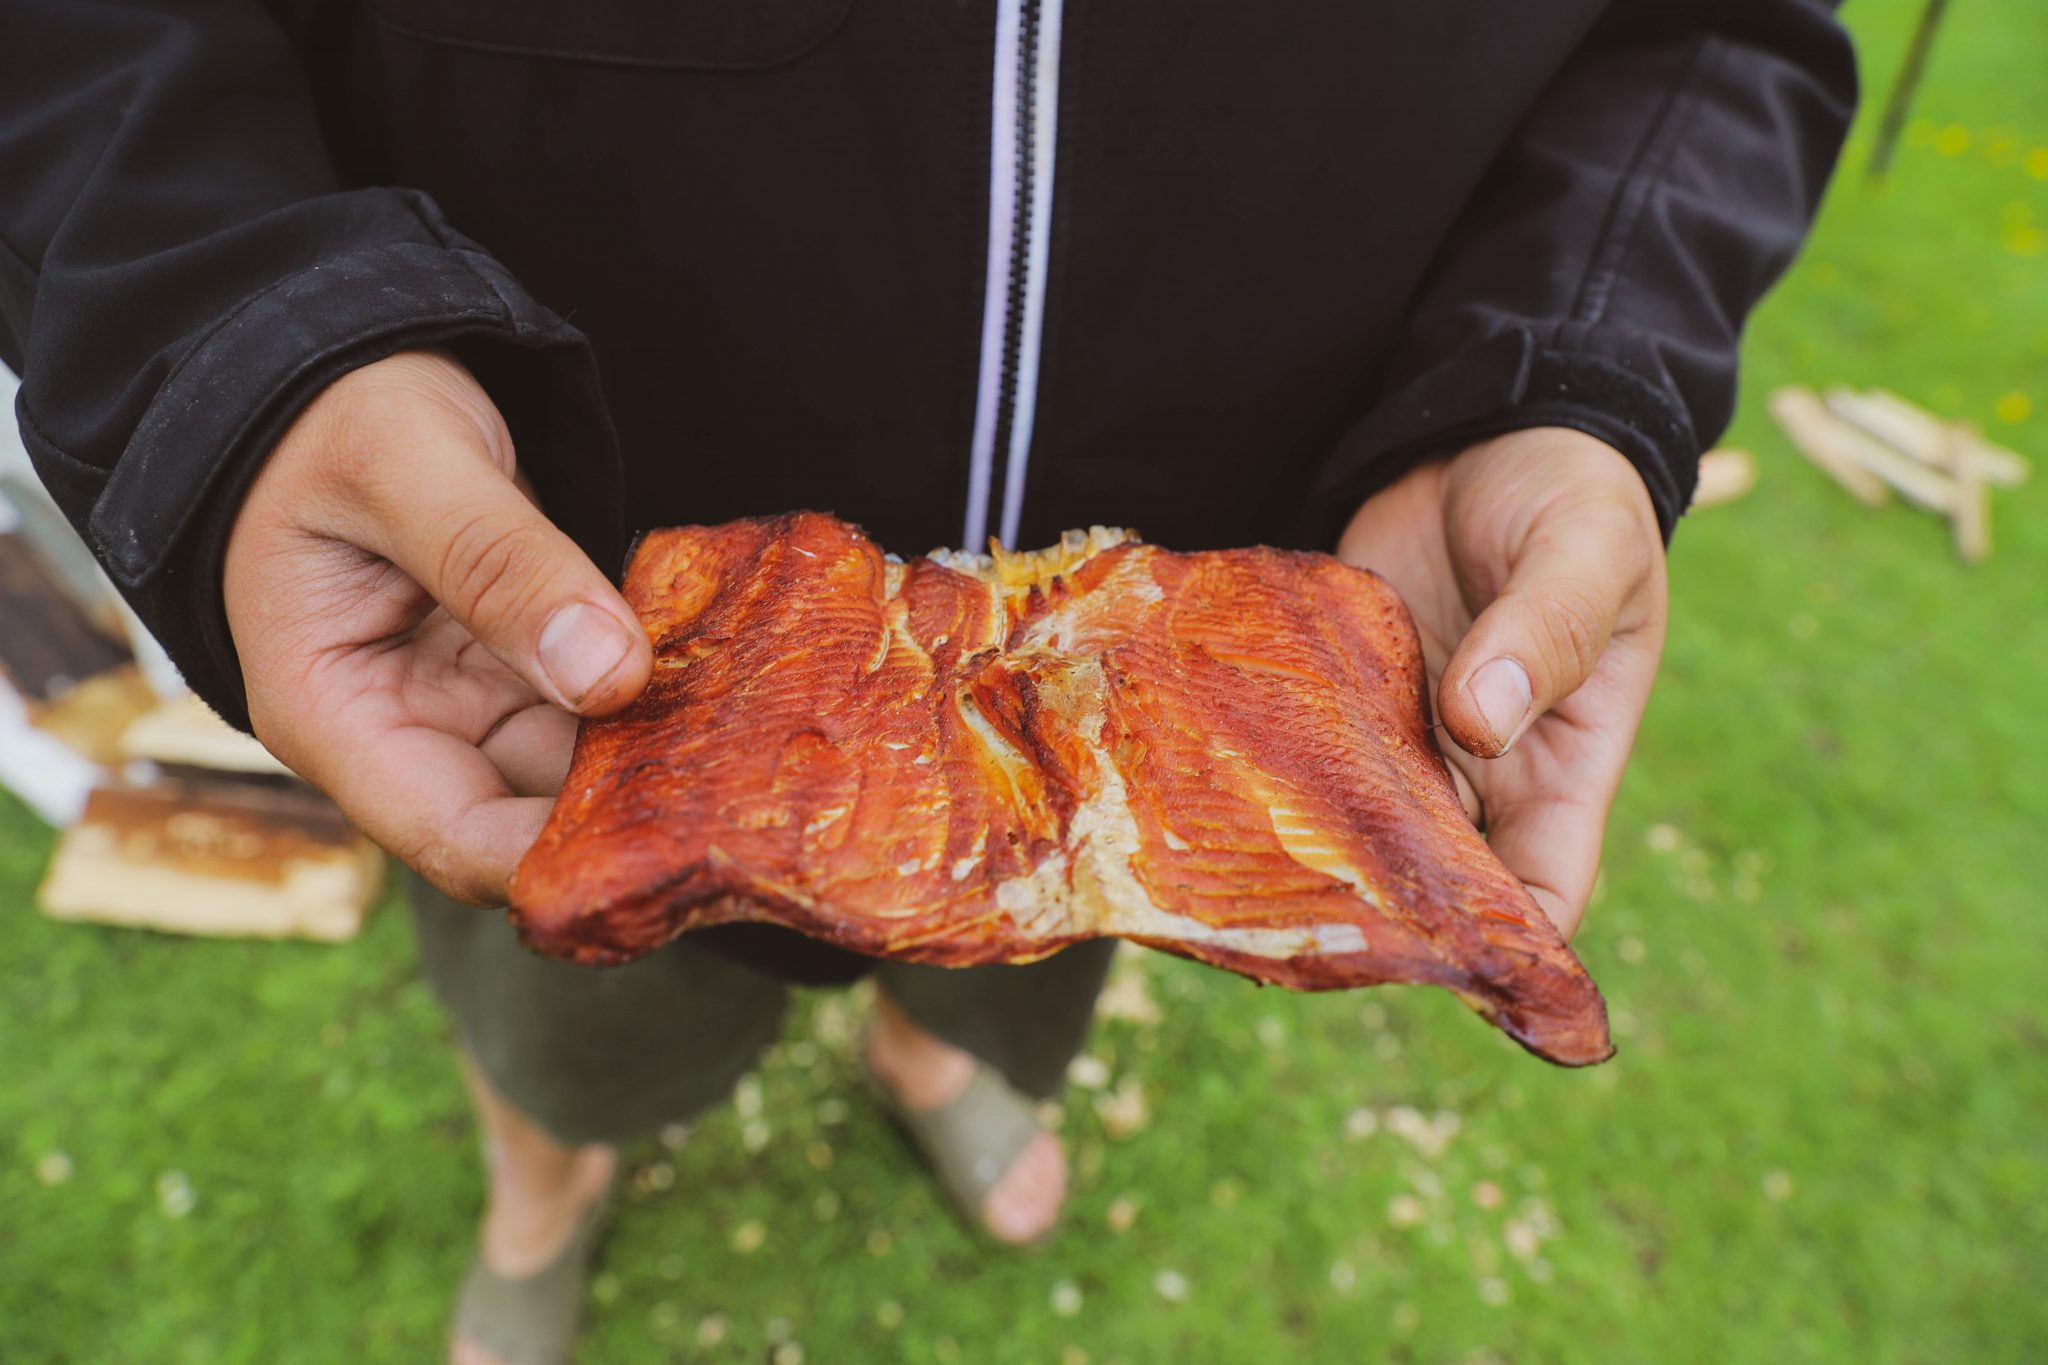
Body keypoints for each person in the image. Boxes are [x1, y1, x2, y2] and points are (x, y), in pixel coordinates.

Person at [1, 1, 1855, 1359]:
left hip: (1181, 663)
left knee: (1031, 949)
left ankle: (929, 1045)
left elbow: (1715, 32)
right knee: (562, 982)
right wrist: (238, 334)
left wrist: (1568, 364)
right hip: (585, 623)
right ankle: (546, 1177)